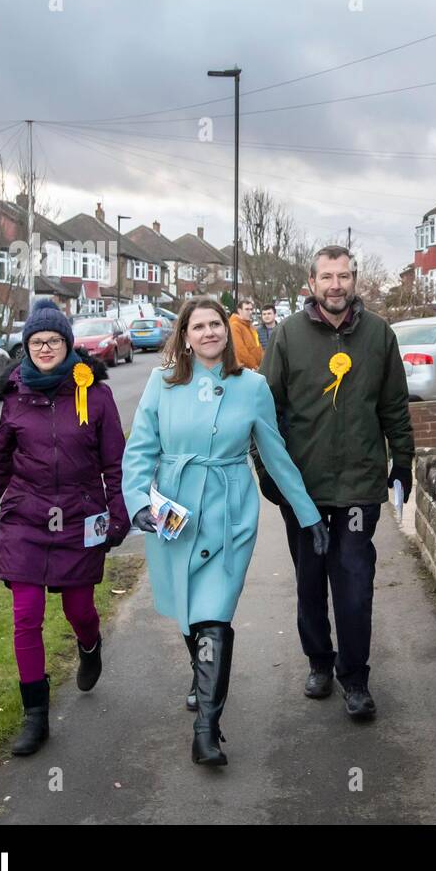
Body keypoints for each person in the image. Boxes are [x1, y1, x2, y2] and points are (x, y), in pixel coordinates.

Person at [121, 297, 329, 767]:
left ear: (227, 331)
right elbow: (139, 450)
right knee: (190, 610)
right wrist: (136, 503)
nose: (210, 332)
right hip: (174, 511)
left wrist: (308, 513)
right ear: (185, 335)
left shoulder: (252, 386)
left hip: (229, 510)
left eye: (216, 324)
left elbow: (275, 454)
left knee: (214, 613)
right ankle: (202, 671)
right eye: (199, 326)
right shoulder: (162, 383)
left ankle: (206, 731)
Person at [0, 299, 130, 757]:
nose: (45, 348)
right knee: (26, 614)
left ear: (68, 344)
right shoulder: (15, 395)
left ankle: (90, 643)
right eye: (37, 341)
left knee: (78, 607)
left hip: (80, 513)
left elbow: (115, 462)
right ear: (26, 347)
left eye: (54, 340)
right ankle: (36, 716)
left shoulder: (94, 393)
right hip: (26, 516)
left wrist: (119, 513)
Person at [260, 245, 413, 720]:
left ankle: (355, 677)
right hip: (303, 491)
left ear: (355, 281)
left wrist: (402, 461)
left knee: (354, 582)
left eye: (344, 276)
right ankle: (319, 663)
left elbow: (393, 406)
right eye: (327, 277)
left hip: (359, 487)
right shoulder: (286, 335)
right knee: (310, 582)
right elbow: (268, 413)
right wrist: (271, 476)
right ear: (311, 282)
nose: (336, 285)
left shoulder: (379, 335)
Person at [229, 297, 263, 370]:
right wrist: (254, 366)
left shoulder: (251, 327)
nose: (250, 312)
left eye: (251, 309)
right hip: (245, 370)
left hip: (255, 368)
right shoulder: (234, 326)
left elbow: (258, 346)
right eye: (247, 309)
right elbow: (240, 351)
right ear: (239, 310)